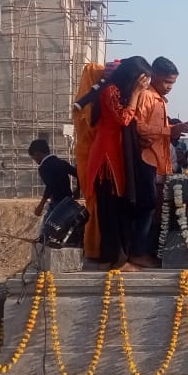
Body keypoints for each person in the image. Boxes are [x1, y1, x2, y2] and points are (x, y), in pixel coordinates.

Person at [84, 56, 152, 271]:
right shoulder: (110, 91)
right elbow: (123, 118)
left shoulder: (116, 91)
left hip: (117, 155)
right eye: (141, 81)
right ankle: (116, 260)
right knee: (111, 210)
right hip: (107, 158)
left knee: (119, 209)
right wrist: (135, 94)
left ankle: (114, 258)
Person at [131, 57, 188, 267]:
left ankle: (147, 251)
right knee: (147, 207)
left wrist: (181, 127)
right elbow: (139, 128)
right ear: (155, 76)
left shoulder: (159, 99)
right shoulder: (146, 97)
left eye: (172, 84)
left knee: (156, 208)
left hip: (158, 162)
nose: (169, 87)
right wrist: (170, 130)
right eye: (167, 82)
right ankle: (138, 252)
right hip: (146, 160)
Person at [72, 62, 117, 261]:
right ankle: (94, 247)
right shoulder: (87, 105)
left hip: (96, 155)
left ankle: (97, 247)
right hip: (93, 156)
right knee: (96, 201)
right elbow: (91, 125)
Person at [28, 139, 78, 240]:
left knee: (48, 221)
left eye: (34, 158)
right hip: (68, 201)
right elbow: (78, 174)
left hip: (57, 201)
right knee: (65, 223)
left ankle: (43, 238)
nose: (36, 161)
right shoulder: (61, 162)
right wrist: (78, 190)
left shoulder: (43, 167)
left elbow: (50, 186)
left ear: (37, 154)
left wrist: (41, 204)